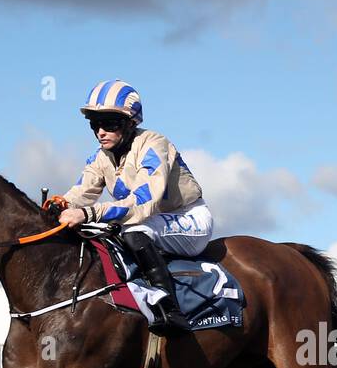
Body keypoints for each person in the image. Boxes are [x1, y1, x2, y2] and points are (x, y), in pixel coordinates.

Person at [44, 80, 211, 335]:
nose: (101, 132)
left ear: (131, 122)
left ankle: (170, 309)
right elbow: (81, 192)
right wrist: (60, 205)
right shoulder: (100, 157)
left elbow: (144, 203)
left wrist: (88, 213)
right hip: (148, 221)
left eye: (109, 124)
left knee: (134, 232)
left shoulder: (154, 144)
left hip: (189, 218)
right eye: (95, 125)